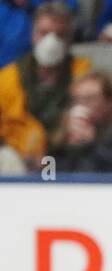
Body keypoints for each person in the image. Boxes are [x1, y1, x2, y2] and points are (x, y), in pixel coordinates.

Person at [0, 0, 91, 168]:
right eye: (44, 33)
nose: (51, 41)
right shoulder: (6, 78)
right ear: (33, 33)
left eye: (60, 34)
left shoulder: (85, 75)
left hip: (65, 160)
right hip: (18, 163)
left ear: (71, 37)